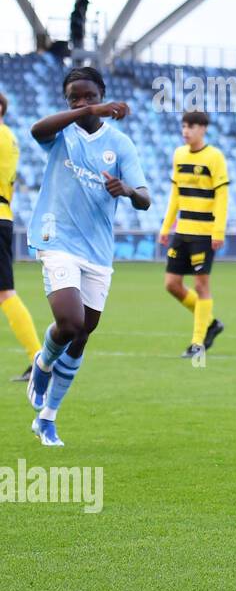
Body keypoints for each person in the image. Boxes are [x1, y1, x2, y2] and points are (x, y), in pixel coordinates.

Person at [26, 67, 150, 445]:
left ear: (102, 94)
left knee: (82, 335)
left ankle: (48, 418)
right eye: (73, 98)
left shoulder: (121, 145)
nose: (81, 103)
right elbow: (36, 130)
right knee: (69, 321)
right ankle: (43, 363)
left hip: (97, 252)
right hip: (56, 238)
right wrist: (83, 113)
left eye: (88, 97)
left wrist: (126, 189)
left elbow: (145, 199)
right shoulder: (62, 132)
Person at [158, 109, 229, 357]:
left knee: (201, 285)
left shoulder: (214, 157)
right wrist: (166, 227)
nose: (185, 131)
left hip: (204, 234)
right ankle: (211, 323)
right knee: (172, 284)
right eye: (184, 126)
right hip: (182, 231)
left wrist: (218, 230)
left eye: (191, 126)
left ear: (203, 129)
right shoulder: (178, 155)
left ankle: (198, 342)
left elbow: (222, 195)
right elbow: (176, 194)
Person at [0, 90, 41, 381]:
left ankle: (38, 358)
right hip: (4, 214)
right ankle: (38, 358)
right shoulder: (10, 138)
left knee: (6, 292)